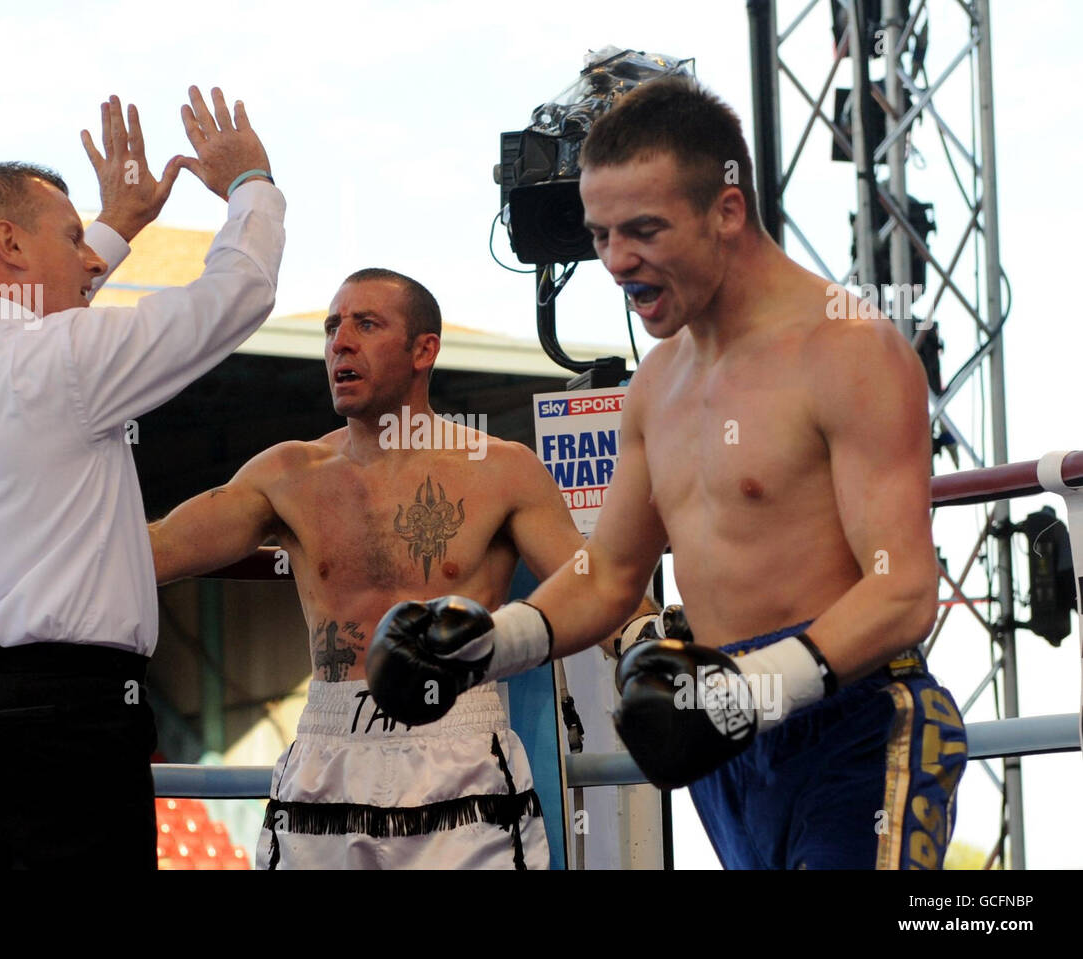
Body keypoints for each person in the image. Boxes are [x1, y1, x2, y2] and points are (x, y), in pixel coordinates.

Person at [365, 76, 967, 870]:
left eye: (643, 229)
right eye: (602, 233)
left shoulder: (847, 350)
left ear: (726, 209)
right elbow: (610, 574)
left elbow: (903, 589)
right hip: (725, 746)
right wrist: (485, 642)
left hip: (853, 724)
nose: (617, 260)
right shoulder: (661, 382)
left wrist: (749, 687)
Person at [0, 87, 285, 869]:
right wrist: (249, 182)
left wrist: (115, 225)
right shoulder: (63, 363)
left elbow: (36, 325)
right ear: (10, 244)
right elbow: (239, 293)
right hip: (61, 720)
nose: (89, 257)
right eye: (70, 237)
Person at [148, 268, 647, 869]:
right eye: (333, 328)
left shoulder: (500, 470)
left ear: (423, 350)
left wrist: (650, 649)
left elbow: (592, 583)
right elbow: (155, 551)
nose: (340, 343)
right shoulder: (288, 474)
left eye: (366, 324)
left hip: (458, 748)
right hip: (327, 747)